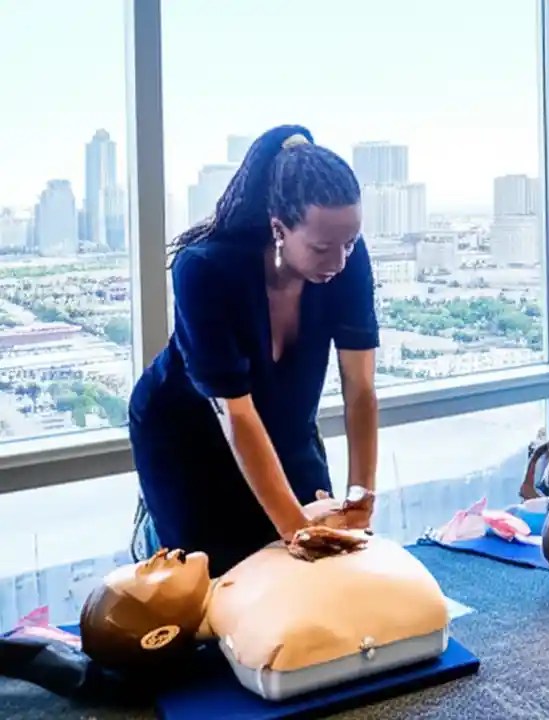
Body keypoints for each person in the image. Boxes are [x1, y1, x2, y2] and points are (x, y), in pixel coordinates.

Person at [128, 125, 380, 577]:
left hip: (284, 423)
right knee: (215, 578)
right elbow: (236, 415)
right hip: (190, 434)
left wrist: (360, 499)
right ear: (278, 228)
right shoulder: (204, 270)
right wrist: (295, 529)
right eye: (323, 247)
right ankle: (157, 532)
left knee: (315, 567)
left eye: (350, 242)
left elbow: (359, 388)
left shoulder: (346, 263)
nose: (339, 262)